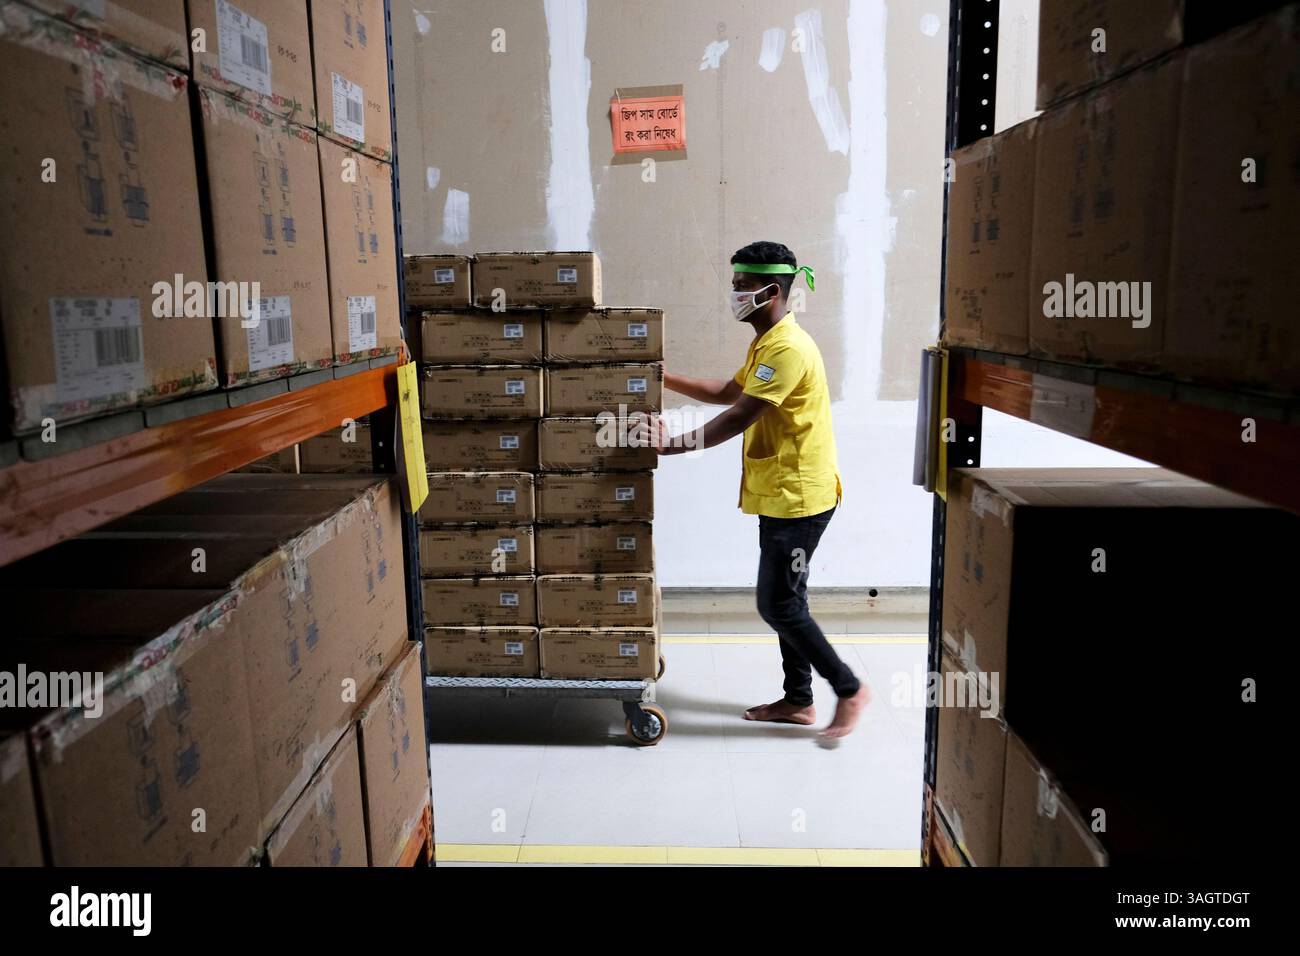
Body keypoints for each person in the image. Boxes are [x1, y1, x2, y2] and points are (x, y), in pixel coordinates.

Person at [631, 240, 870, 739]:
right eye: (734, 285)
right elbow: (729, 391)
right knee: (790, 600)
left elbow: (739, 416)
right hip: (781, 493)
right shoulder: (768, 341)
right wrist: (664, 375)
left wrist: (669, 447)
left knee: (778, 604)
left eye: (741, 287)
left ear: (771, 290)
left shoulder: (786, 348)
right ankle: (800, 701)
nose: (734, 294)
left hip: (800, 499)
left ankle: (848, 690)